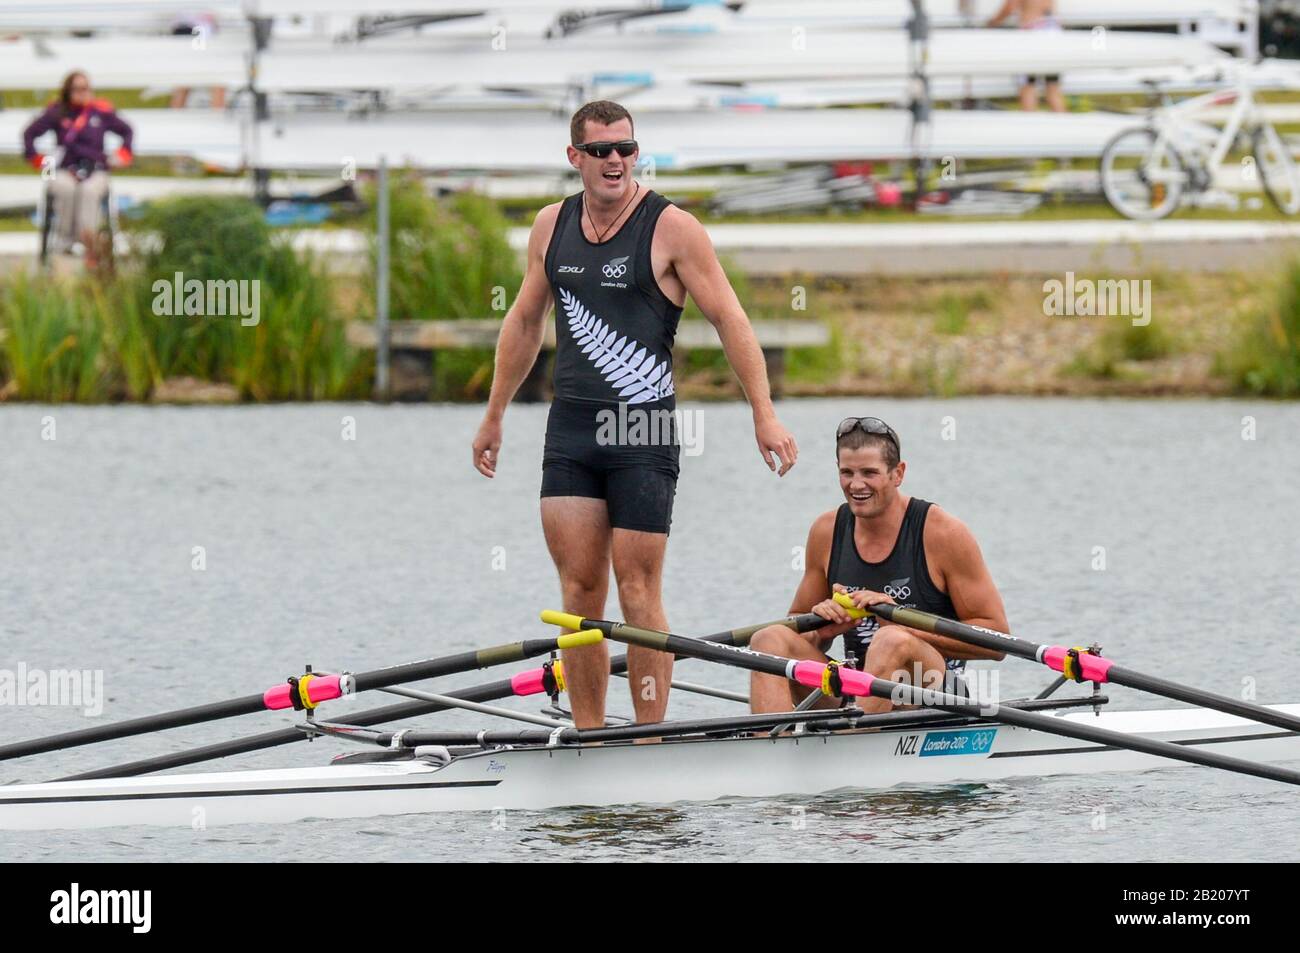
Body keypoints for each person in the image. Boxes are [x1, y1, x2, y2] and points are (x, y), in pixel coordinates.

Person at [472, 100, 798, 730]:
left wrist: (764, 414)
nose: (616, 160)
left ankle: (649, 736)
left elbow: (730, 319)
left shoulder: (674, 228)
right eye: (601, 151)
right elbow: (523, 321)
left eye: (626, 148)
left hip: (642, 429)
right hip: (570, 426)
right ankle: (592, 737)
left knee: (638, 590)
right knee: (578, 594)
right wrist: (494, 417)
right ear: (576, 159)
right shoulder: (551, 226)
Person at [749, 417, 1007, 715]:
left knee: (891, 639)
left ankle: (861, 741)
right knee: (768, 638)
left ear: (898, 473)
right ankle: (765, 747)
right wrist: (822, 628)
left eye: (869, 473)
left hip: (932, 690)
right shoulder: (826, 531)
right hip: (851, 691)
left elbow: (996, 640)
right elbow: (798, 625)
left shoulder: (943, 533)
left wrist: (902, 623)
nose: (856, 485)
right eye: (847, 473)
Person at [22, 71, 134, 263]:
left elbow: (127, 130)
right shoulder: (57, 111)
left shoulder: (100, 111)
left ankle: (89, 243)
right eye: (78, 89)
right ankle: (64, 244)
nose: (84, 93)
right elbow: (29, 134)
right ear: (68, 91)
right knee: (64, 188)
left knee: (89, 191)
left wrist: (122, 155)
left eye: (86, 88)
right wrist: (38, 160)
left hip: (96, 169)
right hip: (65, 168)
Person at [988, 0, 1067, 113]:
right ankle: (1065, 127)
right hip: (1053, 33)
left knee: (1028, 87)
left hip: (1033, 34)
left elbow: (1010, 7)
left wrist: (992, 23)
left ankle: (1031, 127)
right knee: (1052, 88)